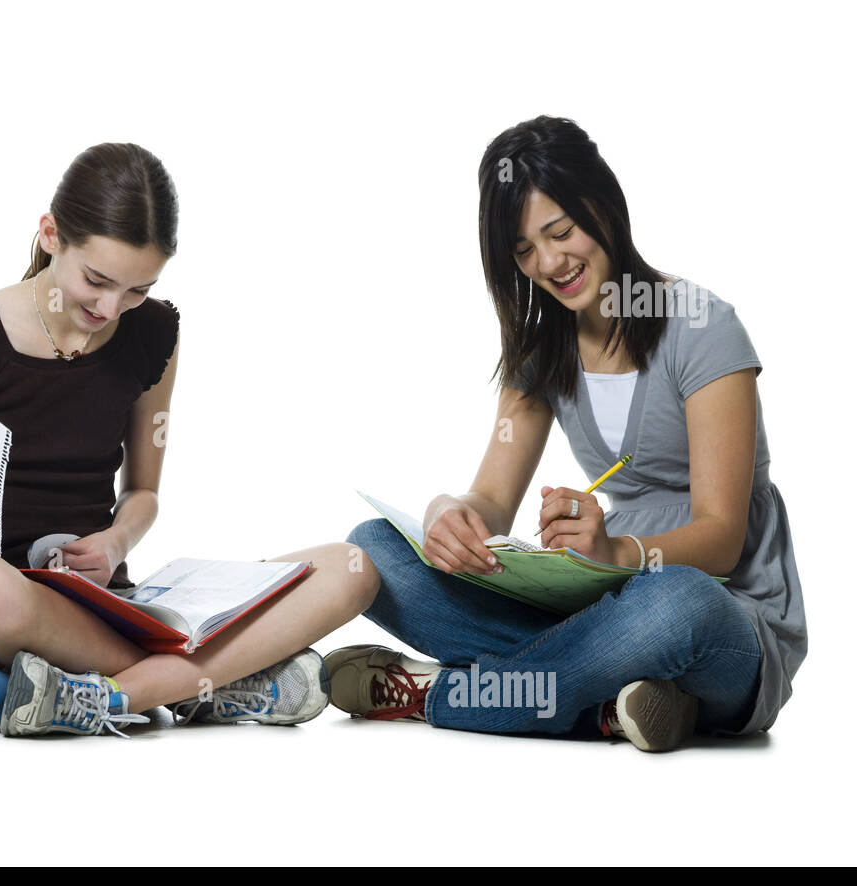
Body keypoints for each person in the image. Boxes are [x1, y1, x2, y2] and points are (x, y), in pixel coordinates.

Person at [0, 142, 376, 737]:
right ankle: (206, 683)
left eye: (137, 290)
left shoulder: (152, 332)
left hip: (108, 610)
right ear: (51, 234)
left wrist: (115, 542)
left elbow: (143, 493)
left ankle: (110, 693)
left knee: (352, 569)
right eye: (97, 281)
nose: (111, 308)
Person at [334, 116, 806, 752]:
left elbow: (722, 539)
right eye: (524, 250)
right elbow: (491, 501)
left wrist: (615, 552)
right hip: (602, 610)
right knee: (375, 550)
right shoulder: (542, 351)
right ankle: (615, 702)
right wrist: (450, 514)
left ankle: (440, 694)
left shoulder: (702, 327)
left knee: (676, 604)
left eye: (561, 232)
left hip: (724, 614)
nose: (550, 263)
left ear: (603, 205)